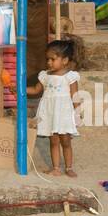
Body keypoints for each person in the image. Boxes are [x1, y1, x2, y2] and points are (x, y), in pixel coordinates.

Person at [25, 37, 81, 177]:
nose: (49, 62)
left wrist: (77, 113)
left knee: (66, 141)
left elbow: (75, 96)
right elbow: (36, 90)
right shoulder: (45, 76)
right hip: (50, 112)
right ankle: (56, 167)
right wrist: (21, 89)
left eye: (53, 59)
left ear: (65, 60)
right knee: (54, 140)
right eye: (47, 59)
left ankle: (68, 167)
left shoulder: (70, 76)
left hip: (64, 113)